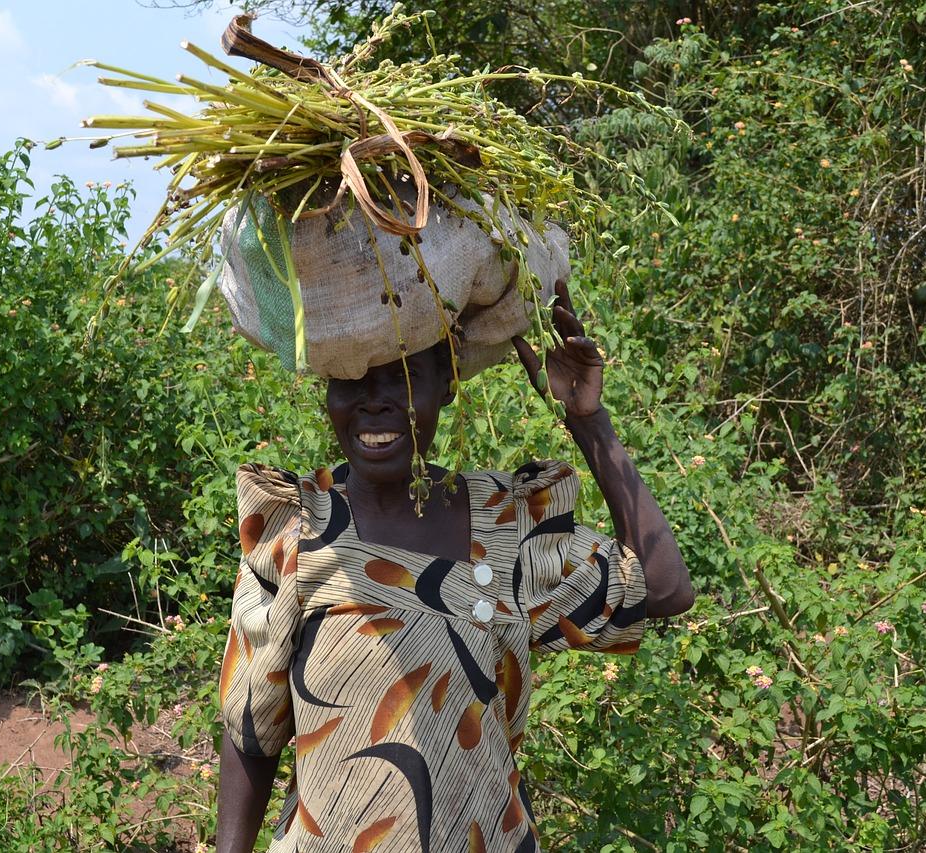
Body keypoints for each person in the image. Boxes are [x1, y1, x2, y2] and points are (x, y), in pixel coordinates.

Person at [216, 280, 694, 852]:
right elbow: (252, 733)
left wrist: (589, 422)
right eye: (352, 380)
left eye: (404, 375)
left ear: (446, 384)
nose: (375, 400)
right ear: (328, 392)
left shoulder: (506, 526)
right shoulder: (297, 530)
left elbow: (665, 589)